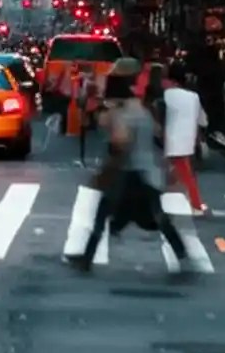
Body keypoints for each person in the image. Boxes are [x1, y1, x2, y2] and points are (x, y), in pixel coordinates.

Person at [66, 61, 191, 274]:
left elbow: (121, 142)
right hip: (146, 171)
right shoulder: (140, 108)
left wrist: (107, 169)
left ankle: (88, 258)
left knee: (129, 214)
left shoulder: (125, 111)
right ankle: (182, 254)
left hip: (132, 173)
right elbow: (157, 134)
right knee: (152, 216)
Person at [162, 63, 208, 214]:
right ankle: (196, 205)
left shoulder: (165, 95)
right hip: (185, 143)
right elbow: (203, 121)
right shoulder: (194, 97)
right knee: (187, 176)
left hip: (163, 141)